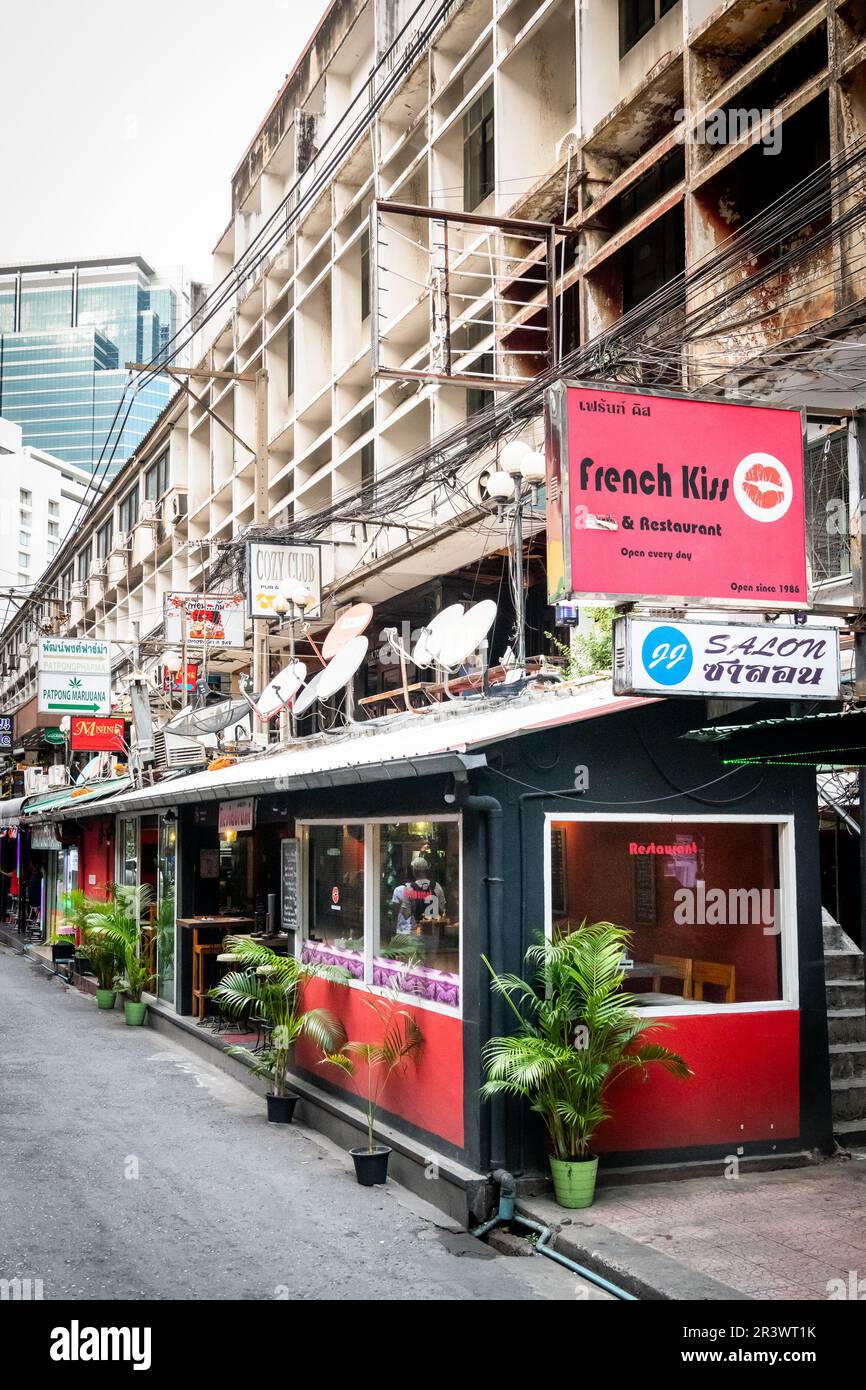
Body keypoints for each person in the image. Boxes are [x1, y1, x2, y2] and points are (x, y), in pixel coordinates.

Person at [391, 855, 445, 931]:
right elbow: (442, 910)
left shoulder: (410, 889)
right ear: (427, 871)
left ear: (414, 871)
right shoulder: (437, 887)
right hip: (434, 932)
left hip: (417, 931)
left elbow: (406, 914)